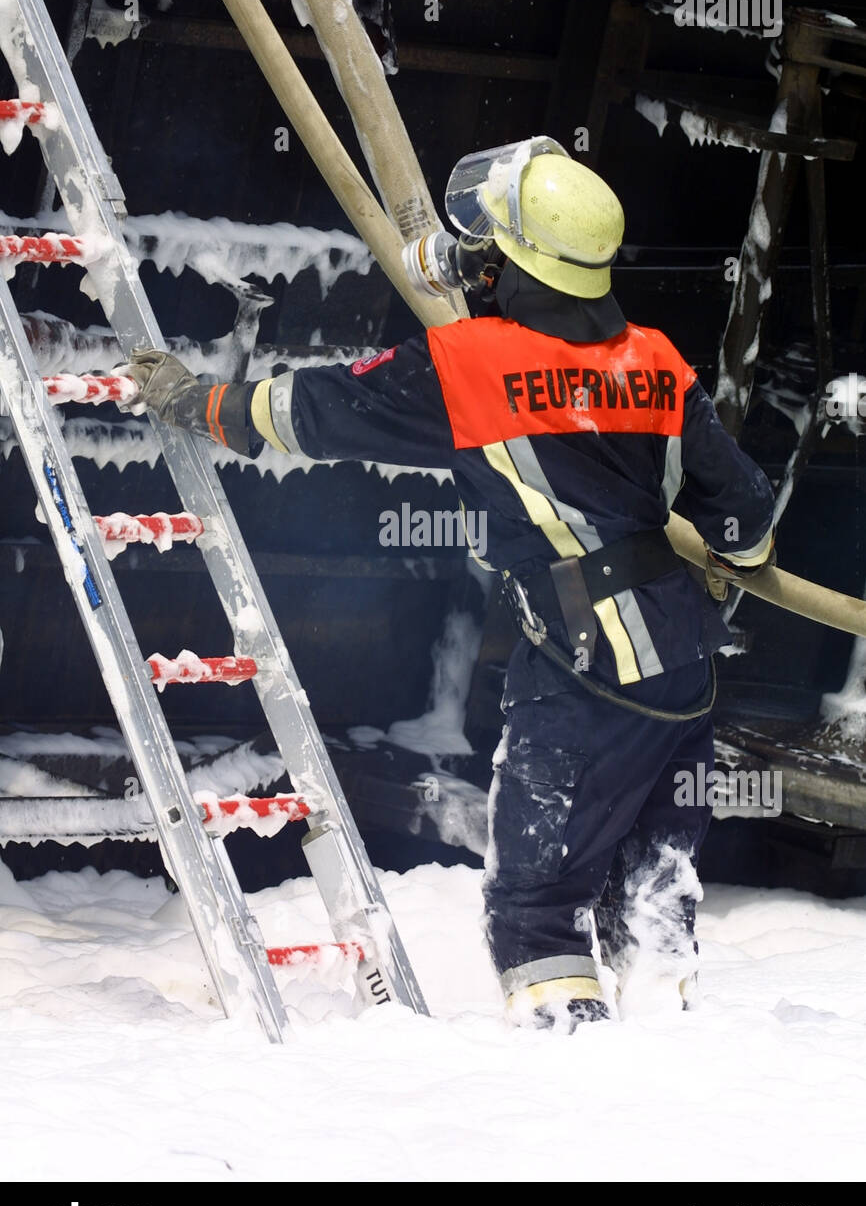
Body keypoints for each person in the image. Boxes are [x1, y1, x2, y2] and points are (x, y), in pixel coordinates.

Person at [124, 137, 775, 1032]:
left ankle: (567, 1093)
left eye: (490, 248)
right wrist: (730, 552)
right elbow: (744, 514)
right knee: (655, 899)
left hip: (585, 670)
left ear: (521, 263)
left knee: (537, 908)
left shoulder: (468, 369)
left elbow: (310, 410)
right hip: (685, 672)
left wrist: (196, 402)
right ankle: (664, 1086)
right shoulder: (656, 362)